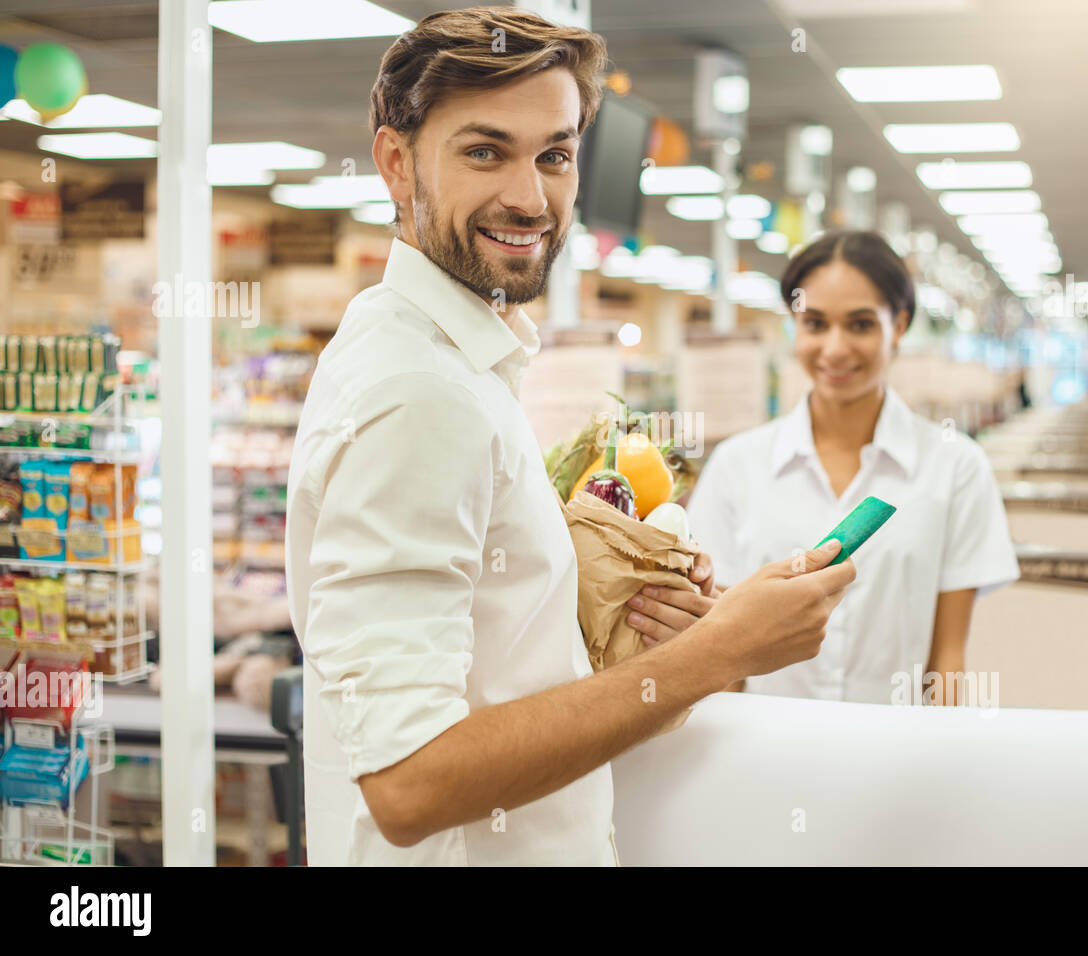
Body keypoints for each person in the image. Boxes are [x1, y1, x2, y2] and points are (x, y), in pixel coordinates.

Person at [284, 8, 857, 867]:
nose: (529, 196)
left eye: (553, 154)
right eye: (485, 151)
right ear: (397, 164)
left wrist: (590, 598)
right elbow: (410, 782)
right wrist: (717, 653)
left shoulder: (442, 358)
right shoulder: (420, 392)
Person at [650, 231, 1020, 705]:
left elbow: (946, 663)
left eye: (861, 325)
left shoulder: (955, 466)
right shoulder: (738, 465)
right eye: (815, 324)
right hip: (765, 753)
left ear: (899, 325)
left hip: (895, 758)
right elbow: (722, 654)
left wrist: (942, 765)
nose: (835, 349)